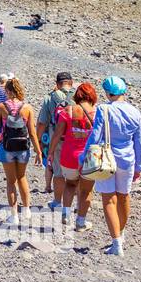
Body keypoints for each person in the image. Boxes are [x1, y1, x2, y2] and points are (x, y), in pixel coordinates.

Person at [82, 76, 141, 256]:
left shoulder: (103, 109)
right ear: (123, 91)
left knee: (109, 199)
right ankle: (121, 232)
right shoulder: (135, 112)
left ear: (108, 92)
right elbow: (140, 142)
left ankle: (116, 242)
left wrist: (84, 157)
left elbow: (95, 136)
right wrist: (139, 166)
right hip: (128, 160)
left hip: (106, 159)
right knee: (124, 197)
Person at [0, 77, 42, 228]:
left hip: (7, 146)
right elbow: (32, 133)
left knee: (11, 181)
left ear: (7, 91)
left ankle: (14, 216)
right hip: (23, 147)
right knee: (22, 177)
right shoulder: (27, 108)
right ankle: (26, 210)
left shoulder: (1, 107)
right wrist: (39, 152)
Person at [48, 81, 98, 231]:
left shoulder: (68, 111)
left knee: (70, 184)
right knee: (86, 190)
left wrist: (50, 152)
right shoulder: (98, 112)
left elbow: (57, 135)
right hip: (89, 156)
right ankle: (81, 222)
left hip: (68, 155)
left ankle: (65, 214)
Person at [38, 72, 75, 198]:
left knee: (58, 171)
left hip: (56, 138)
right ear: (71, 82)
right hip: (76, 138)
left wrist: (38, 141)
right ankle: (78, 204)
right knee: (78, 171)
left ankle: (58, 202)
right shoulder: (79, 96)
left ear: (57, 84)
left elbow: (42, 122)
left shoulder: (50, 98)